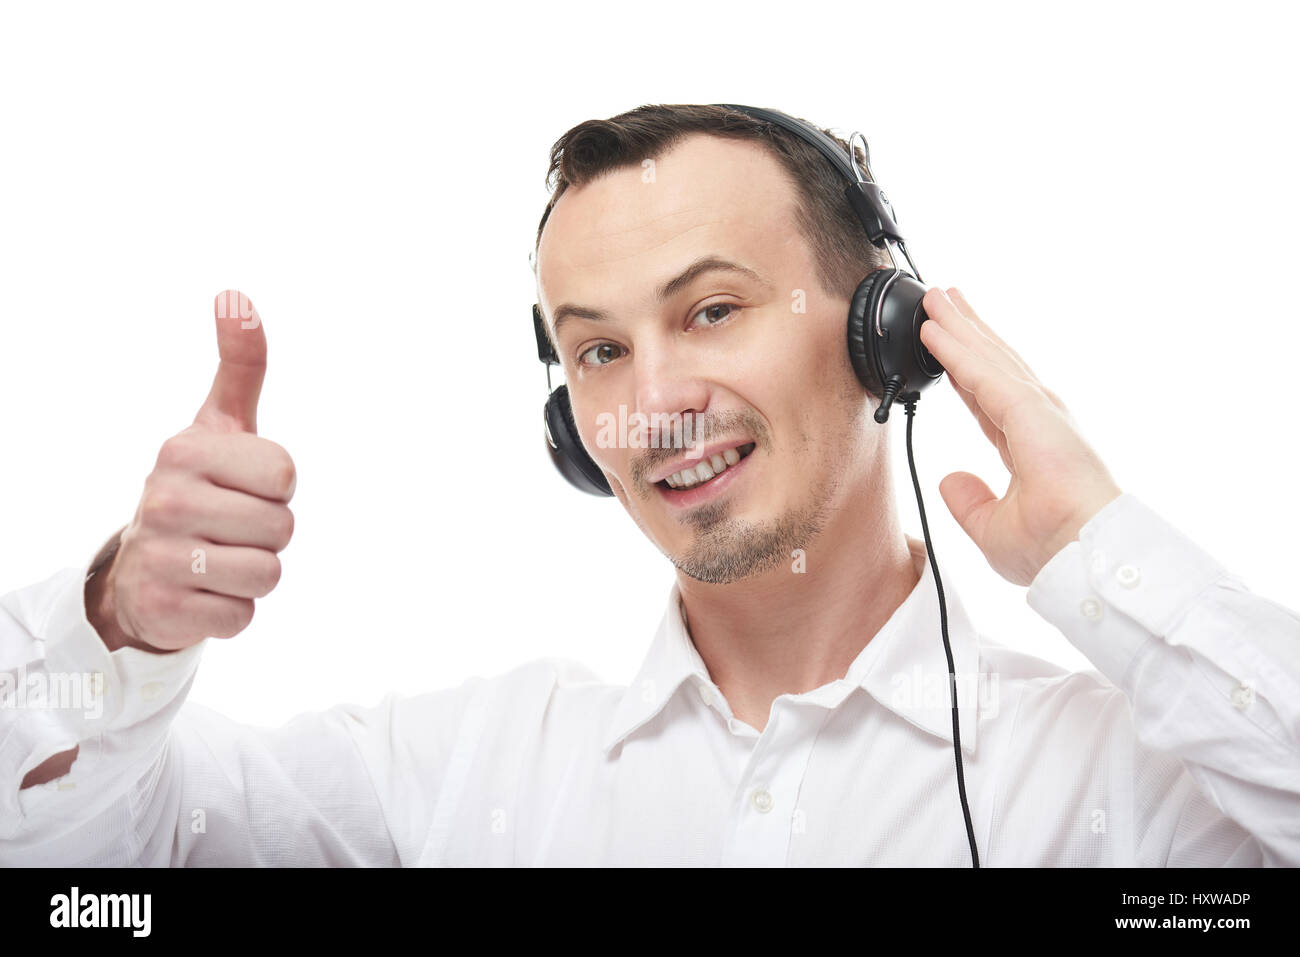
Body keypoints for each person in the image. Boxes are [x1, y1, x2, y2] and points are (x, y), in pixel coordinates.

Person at [2, 104, 1297, 866]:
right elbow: (90, 860)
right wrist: (117, 625)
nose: (652, 399)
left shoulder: (1132, 784)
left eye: (716, 309)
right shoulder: (447, 774)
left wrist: (1098, 546)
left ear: (888, 331)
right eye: (600, 349)